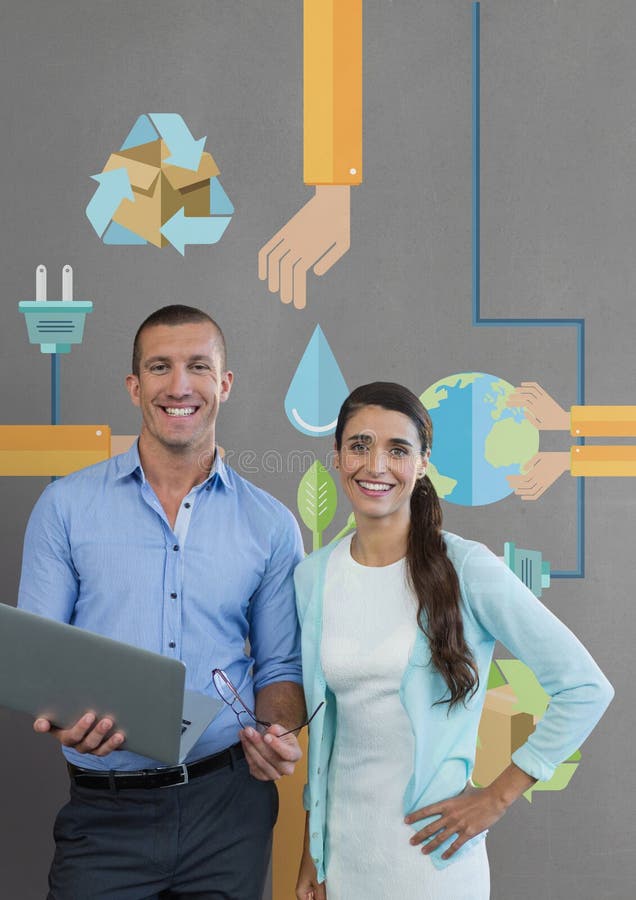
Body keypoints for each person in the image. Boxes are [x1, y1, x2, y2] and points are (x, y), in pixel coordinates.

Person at [18, 305, 306, 900]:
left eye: (199, 366)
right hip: (104, 817)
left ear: (224, 384)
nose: (180, 386)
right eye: (159, 367)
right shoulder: (64, 508)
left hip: (229, 811)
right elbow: (37, 660)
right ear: (134, 386)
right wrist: (66, 724)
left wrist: (278, 729)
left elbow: (280, 667)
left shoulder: (272, 526)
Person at [294, 382, 614, 900]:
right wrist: (314, 852)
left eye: (398, 449)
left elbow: (585, 687)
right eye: (359, 445)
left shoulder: (467, 568)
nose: (375, 465)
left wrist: (498, 797)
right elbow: (328, 738)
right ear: (336, 457)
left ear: (422, 464)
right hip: (345, 861)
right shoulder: (312, 577)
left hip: (432, 865)